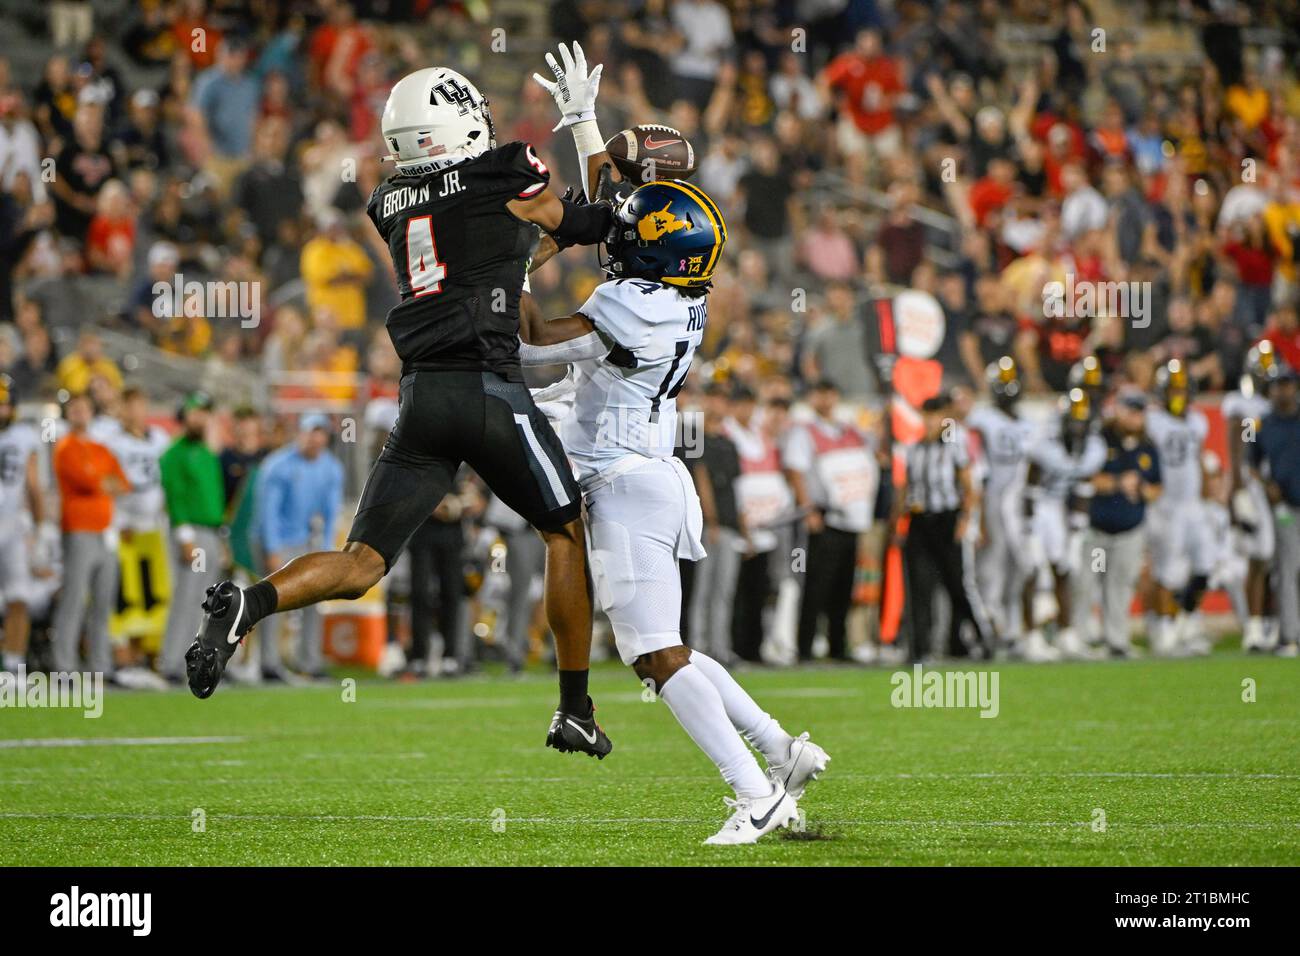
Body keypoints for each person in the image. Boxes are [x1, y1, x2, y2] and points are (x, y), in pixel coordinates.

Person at [186, 67, 615, 760]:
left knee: (360, 564)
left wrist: (541, 243)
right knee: (565, 535)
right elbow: (597, 222)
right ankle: (574, 709)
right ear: (460, 124)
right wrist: (586, 127)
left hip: (420, 398)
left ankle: (251, 604)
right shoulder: (507, 171)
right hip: (488, 389)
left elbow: (489, 252)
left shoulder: (389, 198)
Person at [518, 174, 828, 845]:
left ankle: (755, 794)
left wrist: (508, 264)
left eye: (632, 239)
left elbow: (533, 341)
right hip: (642, 472)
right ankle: (781, 750)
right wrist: (585, 127)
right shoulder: (678, 297)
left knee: (656, 655)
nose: (617, 242)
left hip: (626, 483)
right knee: (665, 651)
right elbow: (615, 214)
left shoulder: (635, 305)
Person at [784, 379, 878, 662]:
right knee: (816, 586)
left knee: (844, 586)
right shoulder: (805, 432)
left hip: (851, 518)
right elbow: (796, 472)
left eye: (828, 393)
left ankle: (838, 645)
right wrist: (808, 509)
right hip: (824, 517)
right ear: (812, 397)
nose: (824, 399)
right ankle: (805, 647)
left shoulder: (850, 431)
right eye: (819, 393)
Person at [897, 394, 989, 661]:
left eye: (936, 416)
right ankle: (918, 649)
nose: (930, 422)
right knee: (919, 587)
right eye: (927, 416)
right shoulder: (913, 449)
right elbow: (905, 489)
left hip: (947, 519)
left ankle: (980, 638)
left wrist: (964, 520)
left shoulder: (954, 444)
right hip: (920, 520)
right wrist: (897, 522)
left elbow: (969, 487)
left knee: (957, 585)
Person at [252, 414, 344, 679]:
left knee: (314, 600)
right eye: (311, 432)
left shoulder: (331, 468)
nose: (316, 439)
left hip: (305, 540)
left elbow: (331, 513)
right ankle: (269, 663)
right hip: (276, 539)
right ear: (300, 434)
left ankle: (310, 662)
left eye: (321, 433)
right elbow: (267, 513)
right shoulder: (277, 465)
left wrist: (327, 552)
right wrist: (273, 549)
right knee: (272, 602)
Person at [1072, 387, 1162, 657]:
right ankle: (1080, 639)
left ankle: (1117, 641)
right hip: (1098, 529)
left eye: (1139, 412)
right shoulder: (1102, 440)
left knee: (1120, 586)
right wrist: (1119, 483)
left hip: (1129, 531)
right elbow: (1087, 477)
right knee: (1086, 584)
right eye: (1130, 411)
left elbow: (1158, 488)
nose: (1135, 418)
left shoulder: (1148, 446)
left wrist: (1143, 490)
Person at [1021, 387, 1106, 659]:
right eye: (1074, 421)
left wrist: (1077, 534)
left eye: (1082, 421)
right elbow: (1029, 489)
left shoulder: (1091, 447)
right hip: (1030, 506)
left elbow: (1083, 490)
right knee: (1032, 569)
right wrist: (1031, 531)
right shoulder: (1046, 441)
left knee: (1064, 567)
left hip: (1056, 507)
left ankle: (1066, 633)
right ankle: (1031, 637)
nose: (1078, 427)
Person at [50, 391, 127, 676]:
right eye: (74, 409)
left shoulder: (100, 449)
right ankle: (64, 667)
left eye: (83, 408)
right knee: (74, 599)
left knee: (103, 601)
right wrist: (102, 481)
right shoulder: (65, 447)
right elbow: (88, 481)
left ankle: (100, 666)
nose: (80, 413)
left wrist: (101, 481)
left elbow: (122, 483)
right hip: (79, 530)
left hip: (106, 532)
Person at [966, 357, 1039, 653]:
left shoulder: (1028, 422)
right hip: (992, 500)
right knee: (990, 566)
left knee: (1020, 566)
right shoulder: (981, 419)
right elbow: (974, 466)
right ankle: (987, 626)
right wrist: (978, 512)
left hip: (1019, 504)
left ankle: (1011, 628)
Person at [1144, 360, 1212, 656]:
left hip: (1193, 505)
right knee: (1167, 571)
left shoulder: (1198, 422)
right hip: (1166, 505)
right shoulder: (1153, 421)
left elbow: (1198, 459)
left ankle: (1185, 621)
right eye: (1173, 390)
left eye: (1182, 390)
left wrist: (1208, 492)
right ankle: (1164, 630)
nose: (1178, 395)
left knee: (1205, 566)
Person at [158, 392, 225, 681]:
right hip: (192, 533)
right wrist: (185, 537)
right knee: (187, 598)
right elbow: (176, 498)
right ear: (183, 415)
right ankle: (171, 662)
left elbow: (215, 499)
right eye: (196, 412)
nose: (201, 418)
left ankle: (197, 664)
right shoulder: (174, 454)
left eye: (205, 413)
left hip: (210, 532)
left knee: (207, 602)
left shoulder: (207, 454)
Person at [1223, 342, 1281, 651]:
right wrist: (1236, 486)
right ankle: (1254, 625)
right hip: (1252, 484)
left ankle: (1270, 623)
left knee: (1275, 558)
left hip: (1277, 485)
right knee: (1259, 553)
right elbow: (1239, 448)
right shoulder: (1241, 405)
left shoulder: (1279, 405)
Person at [1250, 364, 1300, 657]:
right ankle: (1289, 636)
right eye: (1278, 385)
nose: (1283, 390)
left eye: (1288, 384)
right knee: (1287, 570)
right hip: (1284, 506)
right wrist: (1267, 485)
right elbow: (1251, 464)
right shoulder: (1263, 424)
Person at [0, 375, 46, 686]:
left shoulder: (24, 435)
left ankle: (13, 667)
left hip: (13, 525)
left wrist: (42, 529)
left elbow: (33, 484)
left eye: (4, 402)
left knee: (19, 597)